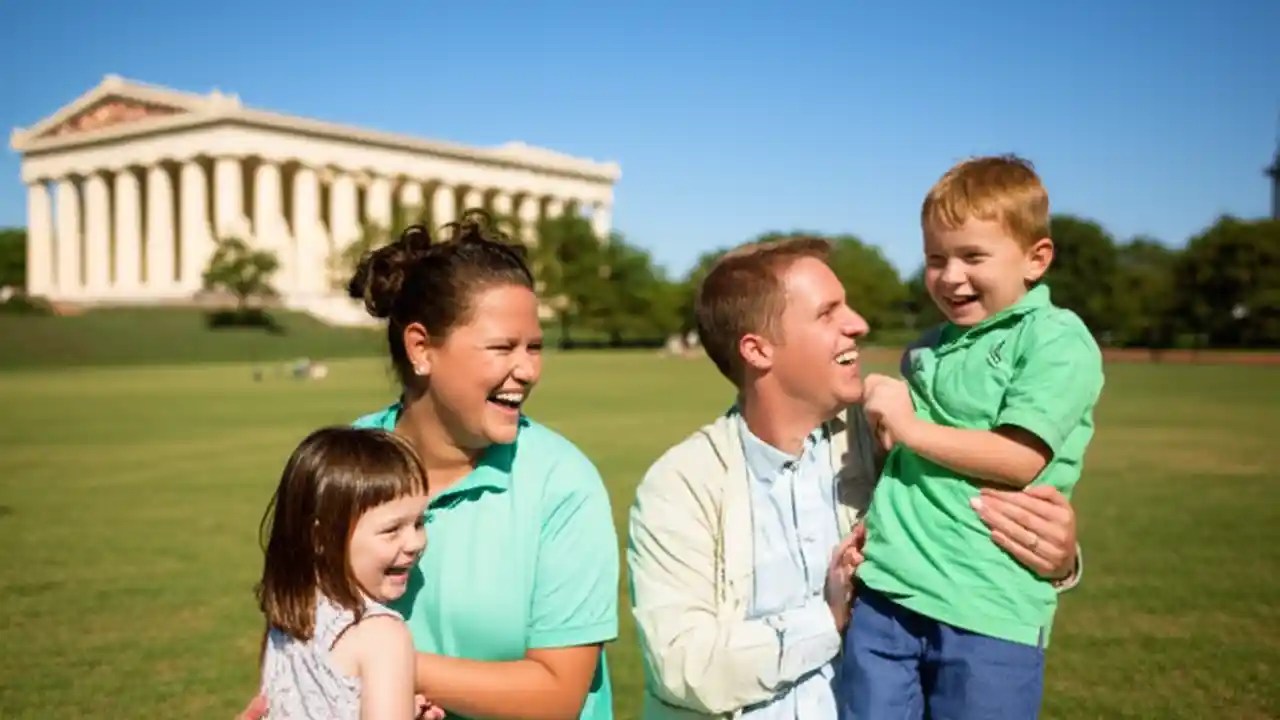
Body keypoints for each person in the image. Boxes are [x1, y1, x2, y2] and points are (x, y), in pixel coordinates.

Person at [627, 235, 1084, 720]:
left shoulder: (894, 435)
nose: (859, 325)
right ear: (757, 350)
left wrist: (1056, 559)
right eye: (828, 313)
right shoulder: (679, 486)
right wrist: (826, 619)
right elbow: (682, 670)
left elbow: (970, 520)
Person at [241, 210, 619, 720]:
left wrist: (384, 666)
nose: (527, 370)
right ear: (421, 348)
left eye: (534, 347)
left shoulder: (562, 483)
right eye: (502, 347)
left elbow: (557, 695)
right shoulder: (343, 464)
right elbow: (297, 624)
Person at [840, 155, 1105, 719]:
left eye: (972, 256)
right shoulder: (926, 348)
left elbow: (1018, 460)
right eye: (935, 258)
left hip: (989, 607)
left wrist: (909, 427)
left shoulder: (1055, 339)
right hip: (887, 596)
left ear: (1036, 259)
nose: (950, 275)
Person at [256, 426, 431, 719]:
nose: (415, 542)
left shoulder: (287, 616)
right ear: (321, 537)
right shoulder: (382, 635)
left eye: (420, 522)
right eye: (392, 530)